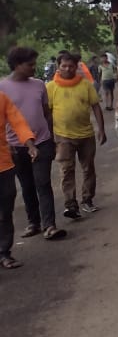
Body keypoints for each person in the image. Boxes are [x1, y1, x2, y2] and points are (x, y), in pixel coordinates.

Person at [0, 47, 66, 241]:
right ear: (17, 65)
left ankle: (50, 225)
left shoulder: (39, 85)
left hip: (42, 141)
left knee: (43, 183)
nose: (34, 68)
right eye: (30, 65)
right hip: (15, 145)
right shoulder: (2, 87)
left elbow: (46, 112)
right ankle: (34, 223)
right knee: (27, 185)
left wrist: (51, 137)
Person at [46, 52, 106, 219]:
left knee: (88, 168)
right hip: (63, 136)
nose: (67, 69)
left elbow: (96, 107)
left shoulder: (85, 85)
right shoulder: (51, 87)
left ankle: (87, 200)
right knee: (66, 170)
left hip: (86, 135)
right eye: (63, 66)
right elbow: (47, 112)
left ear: (76, 66)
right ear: (58, 67)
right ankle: (70, 205)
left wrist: (101, 130)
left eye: (71, 66)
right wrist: (50, 135)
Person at [0, 85, 39, 269]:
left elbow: (18, 123)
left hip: (3, 165)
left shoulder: (2, 98)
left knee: (4, 212)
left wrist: (30, 144)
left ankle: (4, 253)